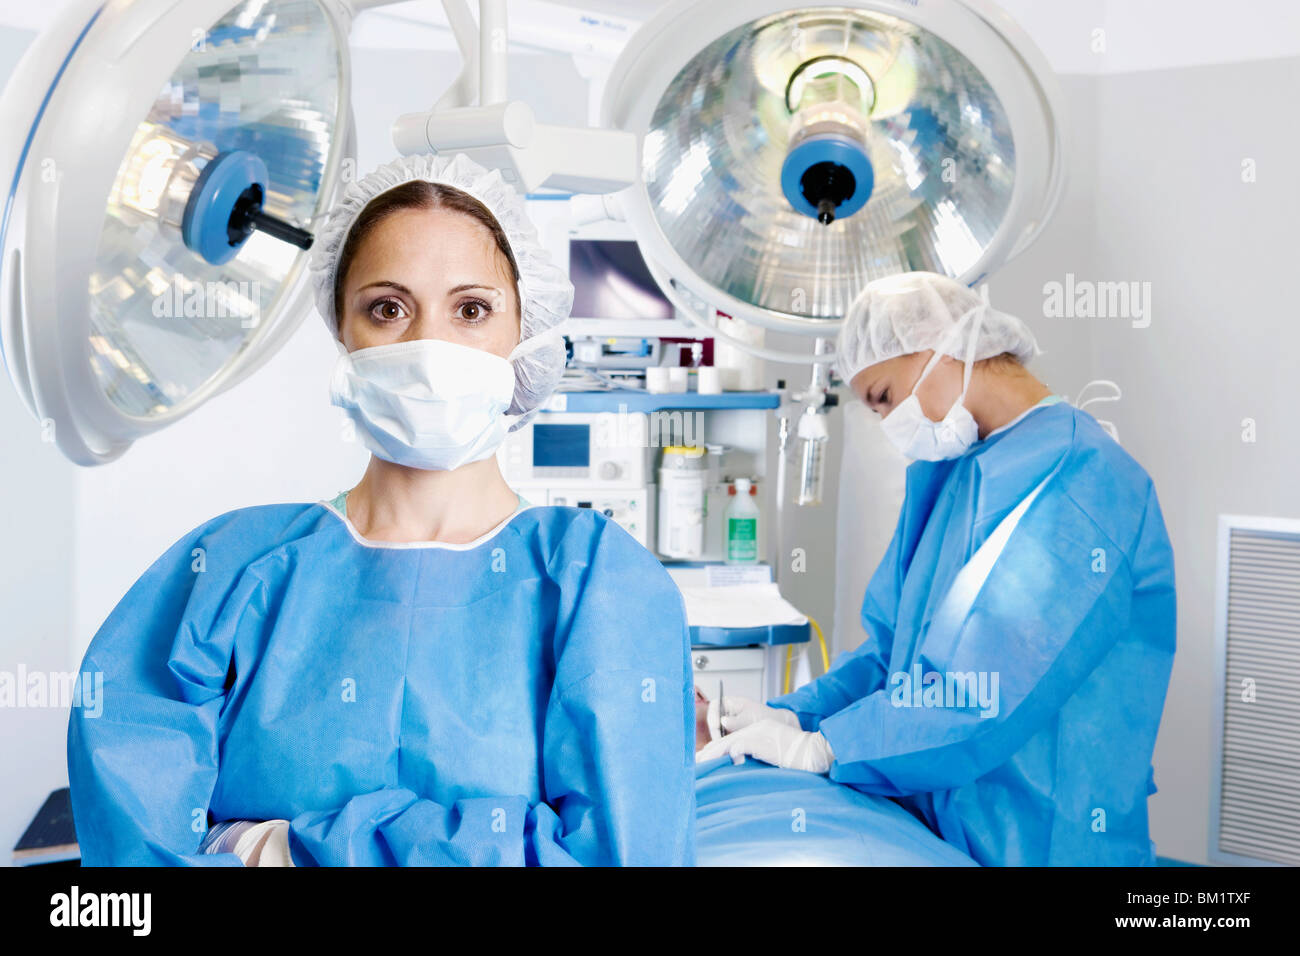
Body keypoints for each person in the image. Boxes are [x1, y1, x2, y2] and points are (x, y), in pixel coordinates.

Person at [67, 153, 696, 867]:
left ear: (527, 333)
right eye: (388, 308)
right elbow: (135, 854)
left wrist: (288, 849)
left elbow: (619, 853)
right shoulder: (233, 567)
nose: (429, 346)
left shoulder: (597, 582)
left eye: (471, 310)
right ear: (342, 329)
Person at [699, 271, 1176, 867]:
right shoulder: (949, 475)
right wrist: (794, 714)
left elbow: (981, 695)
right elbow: (891, 657)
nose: (887, 423)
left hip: (1044, 841)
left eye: (884, 398)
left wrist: (823, 748)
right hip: (934, 827)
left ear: (941, 345)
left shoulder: (1080, 484)